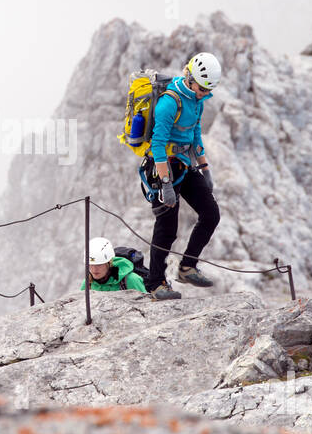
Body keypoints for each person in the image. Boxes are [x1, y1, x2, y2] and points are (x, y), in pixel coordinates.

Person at [143, 52, 222, 300]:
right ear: (190, 78)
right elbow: (157, 144)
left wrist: (205, 169)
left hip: (185, 165)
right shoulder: (170, 102)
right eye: (201, 88)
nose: (203, 94)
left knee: (211, 214)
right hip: (162, 166)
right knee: (167, 227)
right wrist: (165, 183)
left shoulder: (198, 100)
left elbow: (195, 134)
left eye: (207, 90)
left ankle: (187, 267)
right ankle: (155, 283)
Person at [81, 237, 147, 293]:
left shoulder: (131, 280)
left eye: (99, 265)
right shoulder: (87, 283)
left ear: (110, 262)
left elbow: (145, 305)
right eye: (90, 265)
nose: (94, 269)